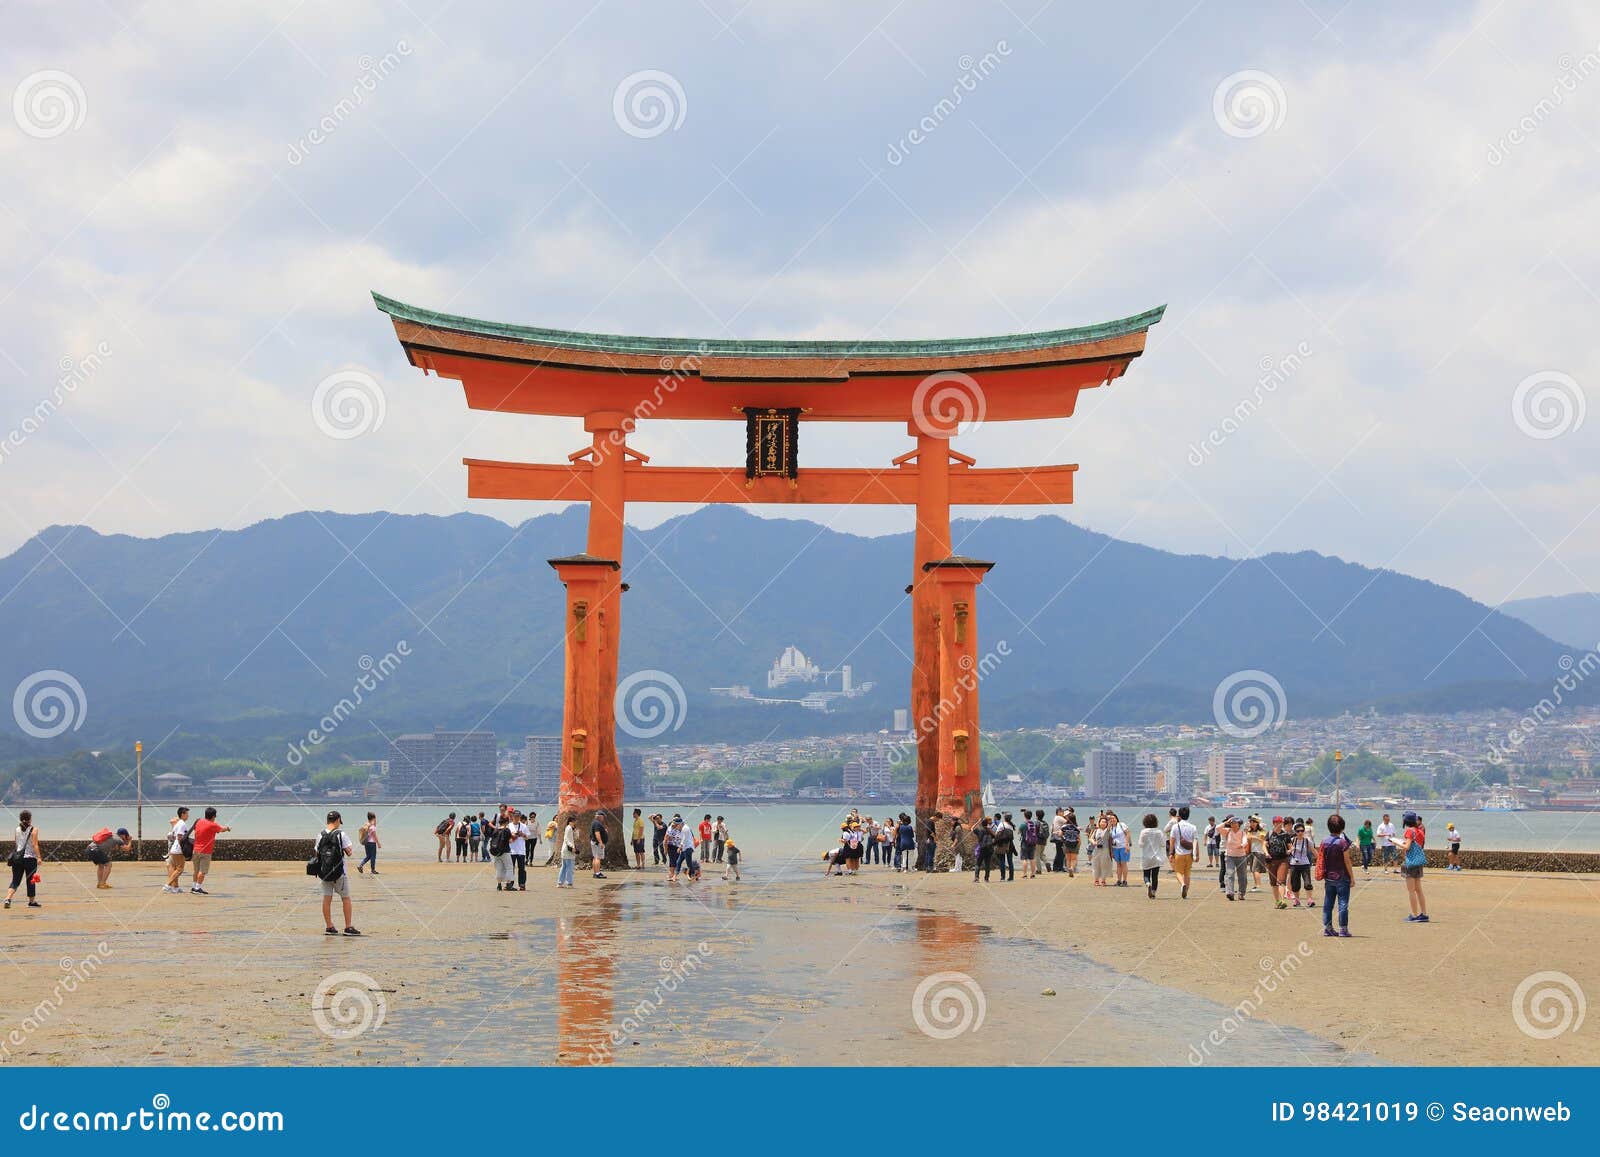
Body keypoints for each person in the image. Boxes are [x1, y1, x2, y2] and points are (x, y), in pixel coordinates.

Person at [314, 811, 359, 936]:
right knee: (346, 898)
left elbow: (317, 854)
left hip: (324, 873)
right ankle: (348, 927)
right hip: (340, 873)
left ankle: (329, 927)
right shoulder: (341, 834)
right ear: (338, 820)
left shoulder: (320, 835)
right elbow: (349, 852)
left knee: (327, 898)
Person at [1319, 814, 1355, 938]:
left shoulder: (1324, 841)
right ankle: (1343, 929)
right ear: (1342, 827)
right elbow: (1347, 860)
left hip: (1328, 876)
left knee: (1328, 903)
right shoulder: (1342, 843)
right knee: (1343, 903)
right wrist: (1352, 877)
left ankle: (1328, 928)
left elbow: (1322, 858)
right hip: (1342, 876)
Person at [189, 807, 230, 895]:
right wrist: (227, 828)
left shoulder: (199, 822)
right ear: (213, 816)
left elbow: (198, 830)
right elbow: (221, 830)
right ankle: (197, 888)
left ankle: (193, 887)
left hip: (195, 850)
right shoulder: (213, 825)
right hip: (205, 852)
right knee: (202, 871)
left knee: (196, 870)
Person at [5, 810, 42, 910]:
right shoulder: (34, 829)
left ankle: (8, 899)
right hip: (30, 859)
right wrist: (39, 857)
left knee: (15, 880)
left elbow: (16, 844)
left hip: (17, 859)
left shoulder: (17, 829)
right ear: (30, 819)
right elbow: (35, 845)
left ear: (20, 819)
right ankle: (31, 901)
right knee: (31, 880)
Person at [1398, 811, 1429, 922]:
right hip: (1418, 862)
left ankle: (1414, 914)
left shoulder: (1409, 831)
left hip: (1410, 863)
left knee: (1411, 890)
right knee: (1419, 890)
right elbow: (1418, 845)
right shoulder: (1420, 831)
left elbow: (1407, 846)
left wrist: (1396, 842)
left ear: (1406, 821)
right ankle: (1424, 913)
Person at [1169, 806, 1197, 899]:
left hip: (1179, 854)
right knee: (1187, 874)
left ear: (1179, 815)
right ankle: (1186, 894)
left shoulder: (1175, 827)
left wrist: (1170, 854)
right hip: (1189, 854)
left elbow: (1172, 841)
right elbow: (1195, 842)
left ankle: (1182, 885)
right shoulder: (1193, 827)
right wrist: (1197, 854)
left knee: (1178, 872)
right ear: (1188, 815)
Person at [1265, 816, 1292, 909]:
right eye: (1276, 822)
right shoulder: (1269, 834)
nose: (1278, 824)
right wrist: (1266, 853)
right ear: (1273, 823)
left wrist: (1290, 850)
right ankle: (1277, 901)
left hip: (1283, 860)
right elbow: (1264, 845)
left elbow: (1290, 846)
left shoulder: (1285, 835)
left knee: (1280, 881)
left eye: (1280, 822)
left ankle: (1283, 901)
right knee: (1273, 883)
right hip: (1271, 860)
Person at [164, 806, 192, 894]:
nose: (188, 816)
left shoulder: (178, 823)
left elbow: (173, 835)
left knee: (175, 868)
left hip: (174, 849)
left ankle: (175, 887)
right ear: (182, 814)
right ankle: (168, 885)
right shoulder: (182, 824)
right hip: (178, 850)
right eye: (187, 814)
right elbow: (180, 837)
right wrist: (184, 849)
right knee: (180, 869)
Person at [1287, 822, 1315, 907]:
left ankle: (1310, 900)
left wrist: (1321, 859)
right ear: (1295, 831)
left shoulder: (1307, 841)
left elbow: (1313, 850)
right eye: (1298, 831)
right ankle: (1297, 900)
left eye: (1302, 831)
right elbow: (1288, 850)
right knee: (1295, 884)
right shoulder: (1292, 840)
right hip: (1294, 864)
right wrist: (1289, 851)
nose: (1300, 833)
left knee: (1307, 883)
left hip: (1305, 864)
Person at [1223, 816, 1250, 901]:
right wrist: (1226, 821)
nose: (1233, 824)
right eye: (1231, 823)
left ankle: (1241, 893)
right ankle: (1230, 893)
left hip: (1241, 856)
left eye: (1235, 823)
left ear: (1239, 825)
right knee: (1230, 874)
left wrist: (1241, 845)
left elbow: (1245, 841)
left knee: (1242, 877)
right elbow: (1217, 827)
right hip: (1229, 856)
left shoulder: (1242, 833)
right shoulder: (1227, 831)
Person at [1137, 813, 1164, 898]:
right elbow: (1163, 844)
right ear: (1156, 822)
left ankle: (1148, 884)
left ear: (1145, 822)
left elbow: (1140, 844)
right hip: (1157, 857)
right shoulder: (1159, 832)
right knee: (1155, 876)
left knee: (1146, 875)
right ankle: (1153, 892)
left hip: (1146, 857)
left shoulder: (1143, 832)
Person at [490, 814, 515, 891]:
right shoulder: (506, 830)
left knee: (499, 869)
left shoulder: (495, 830)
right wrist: (515, 836)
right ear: (506, 823)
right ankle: (508, 885)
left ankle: (499, 885)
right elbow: (510, 841)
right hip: (505, 852)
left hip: (496, 852)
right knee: (509, 868)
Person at [508, 810, 529, 891]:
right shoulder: (509, 826)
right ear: (512, 816)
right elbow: (506, 838)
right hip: (511, 850)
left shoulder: (524, 826)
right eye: (515, 816)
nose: (517, 818)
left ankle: (522, 884)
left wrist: (522, 834)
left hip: (521, 851)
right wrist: (513, 836)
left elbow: (527, 838)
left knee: (522, 869)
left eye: (518, 816)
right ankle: (510, 884)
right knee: (510, 868)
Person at [1108, 811, 1130, 886]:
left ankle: (1125, 881)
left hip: (1123, 846)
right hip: (1115, 848)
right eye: (1110, 819)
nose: (1112, 820)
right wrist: (1111, 851)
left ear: (1116, 818)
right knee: (1118, 864)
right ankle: (1119, 880)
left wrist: (1127, 845)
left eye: (1113, 818)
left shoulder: (1121, 824)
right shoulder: (1110, 828)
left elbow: (1128, 833)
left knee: (1123, 863)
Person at [557, 813, 577, 888]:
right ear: (570, 821)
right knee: (569, 867)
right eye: (574, 821)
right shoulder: (569, 828)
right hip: (568, 850)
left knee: (564, 867)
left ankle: (560, 883)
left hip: (565, 850)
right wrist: (572, 847)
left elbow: (567, 839)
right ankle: (569, 883)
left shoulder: (568, 828)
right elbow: (567, 839)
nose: (575, 823)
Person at [972, 816, 995, 883]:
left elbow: (972, 828)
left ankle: (976, 878)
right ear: (987, 823)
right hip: (989, 849)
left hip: (981, 848)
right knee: (987, 864)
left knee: (978, 863)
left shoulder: (979, 829)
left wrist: (977, 822)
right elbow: (995, 836)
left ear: (981, 823)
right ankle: (986, 878)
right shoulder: (989, 830)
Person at [590, 811, 609, 879]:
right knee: (598, 858)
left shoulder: (594, 823)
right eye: (603, 817)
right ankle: (597, 873)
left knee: (595, 857)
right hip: (598, 843)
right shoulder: (597, 824)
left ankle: (595, 872)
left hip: (594, 842)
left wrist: (604, 831)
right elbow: (597, 833)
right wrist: (601, 842)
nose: (603, 818)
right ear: (600, 817)